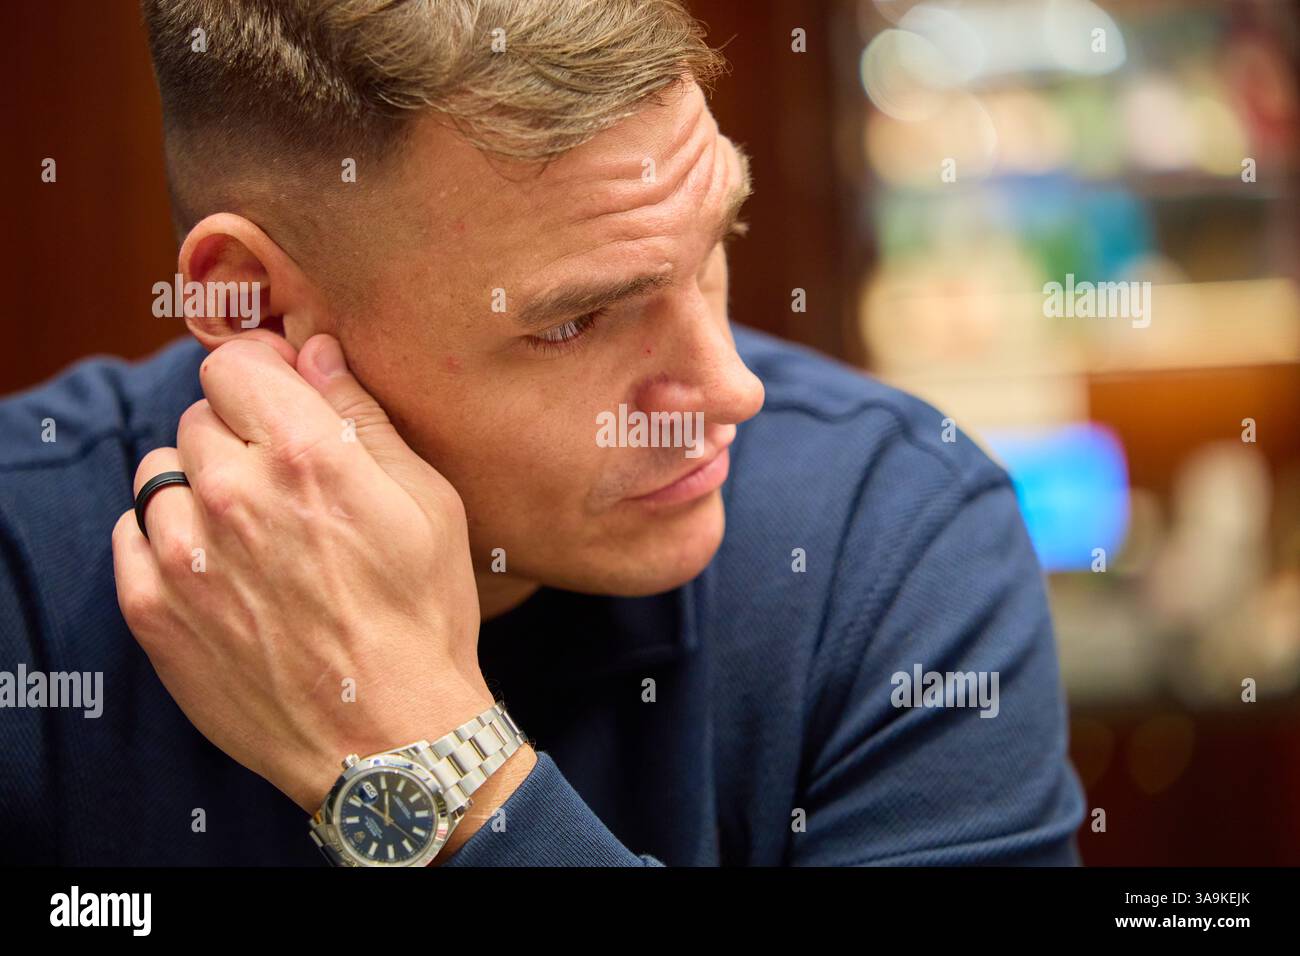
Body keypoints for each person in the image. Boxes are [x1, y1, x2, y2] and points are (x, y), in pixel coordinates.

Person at [0, 0, 1084, 865]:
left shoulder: (888, 534)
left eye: (716, 242)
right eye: (575, 321)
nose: (728, 389)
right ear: (253, 302)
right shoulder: (23, 581)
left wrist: (436, 768)